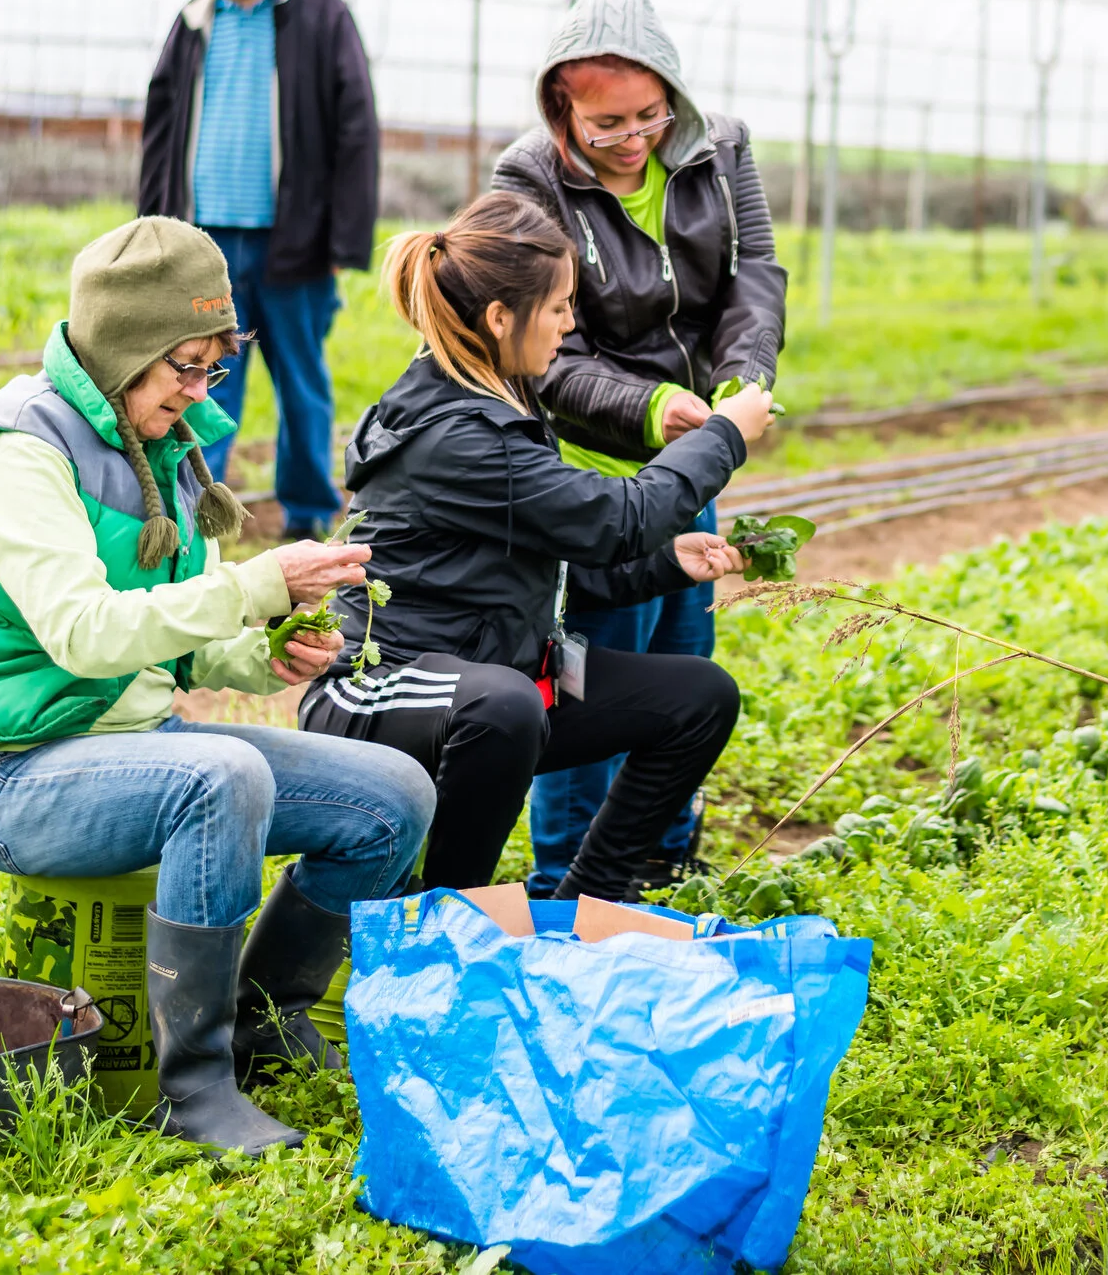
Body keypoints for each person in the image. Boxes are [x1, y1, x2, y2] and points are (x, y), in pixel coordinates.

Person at [0, 217, 435, 1156]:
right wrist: (255, 585)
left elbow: (169, 647)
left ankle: (263, 1021)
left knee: (395, 795)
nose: (199, 394)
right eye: (183, 369)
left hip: (135, 745)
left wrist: (259, 655)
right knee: (220, 774)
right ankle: (192, 1086)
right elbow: (83, 634)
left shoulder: (157, 443)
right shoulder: (18, 448)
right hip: (15, 772)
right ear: (125, 350)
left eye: (214, 369)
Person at [296, 191, 776, 903]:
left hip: (488, 685)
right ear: (500, 319)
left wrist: (665, 565)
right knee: (510, 702)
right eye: (558, 308)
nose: (568, 324)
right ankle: (443, 911)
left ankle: (586, 901)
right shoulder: (457, 434)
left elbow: (532, 576)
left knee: (699, 697)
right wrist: (724, 435)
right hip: (382, 689)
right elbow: (621, 517)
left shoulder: (501, 403)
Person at [487, 0, 787, 895]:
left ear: (674, 95)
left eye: (648, 116)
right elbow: (545, 352)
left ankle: (657, 856)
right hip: (585, 469)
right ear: (561, 108)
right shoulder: (528, 180)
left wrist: (743, 382)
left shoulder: (720, 147)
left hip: (691, 456)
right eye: (606, 123)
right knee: (587, 678)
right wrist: (652, 412)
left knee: (681, 658)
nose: (632, 139)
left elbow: (754, 274)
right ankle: (566, 874)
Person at [136, 0, 380, 540]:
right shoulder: (196, 20)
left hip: (293, 241)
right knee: (202, 375)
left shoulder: (319, 12)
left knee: (301, 378)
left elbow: (357, 128)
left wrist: (343, 238)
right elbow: (161, 128)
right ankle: (198, 509)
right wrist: (154, 226)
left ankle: (306, 512)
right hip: (206, 241)